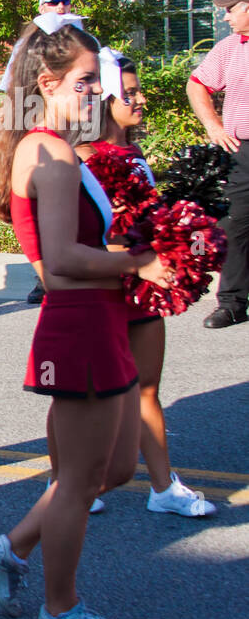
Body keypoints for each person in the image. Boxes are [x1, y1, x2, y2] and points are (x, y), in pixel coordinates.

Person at [0, 13, 171, 619]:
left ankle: (11, 547)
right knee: (82, 481)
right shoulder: (52, 152)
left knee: (110, 471)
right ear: (51, 84)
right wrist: (142, 262)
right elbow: (59, 261)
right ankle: (60, 614)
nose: (97, 93)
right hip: (78, 325)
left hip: (102, 320)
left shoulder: (61, 151)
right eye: (86, 82)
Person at [64, 51, 214, 518]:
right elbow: (83, 236)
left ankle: (164, 486)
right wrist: (135, 260)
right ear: (106, 102)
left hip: (144, 290)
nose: (141, 99)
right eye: (128, 93)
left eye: (139, 90)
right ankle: (71, 482)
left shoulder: (134, 154)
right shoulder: (82, 159)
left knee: (147, 386)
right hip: (106, 290)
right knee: (90, 394)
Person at [12, 0, 82, 305]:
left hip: (82, 130)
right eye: (54, 2)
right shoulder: (29, 43)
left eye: (66, 1)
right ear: (42, 8)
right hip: (42, 131)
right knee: (43, 209)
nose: (62, 6)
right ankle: (44, 277)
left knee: (80, 204)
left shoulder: (82, 38)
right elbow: (13, 89)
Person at [189, 0, 249, 329]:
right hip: (241, 150)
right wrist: (213, 125)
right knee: (233, 222)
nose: (225, 16)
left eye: (231, 8)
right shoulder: (229, 48)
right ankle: (233, 302)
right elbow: (196, 84)